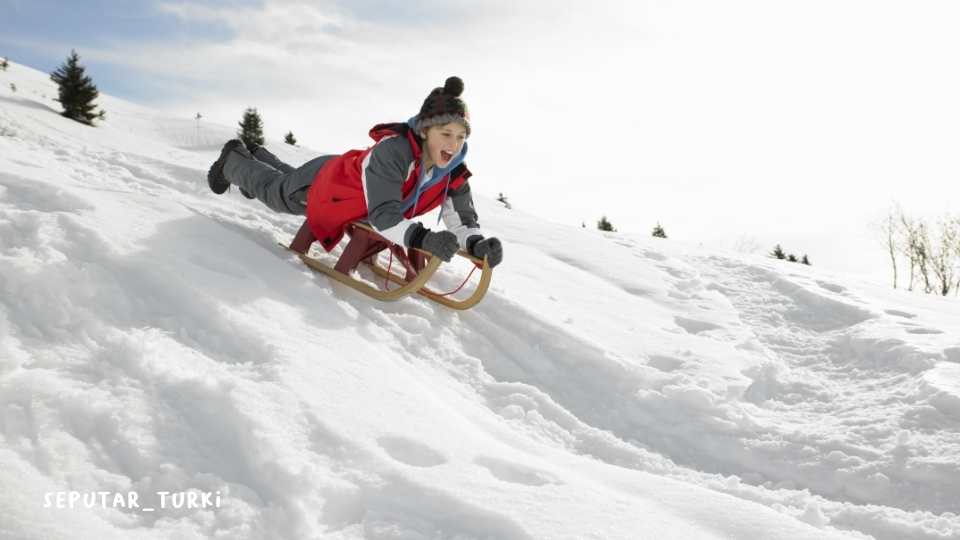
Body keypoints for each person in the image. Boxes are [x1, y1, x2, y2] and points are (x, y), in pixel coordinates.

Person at [207, 76, 503, 268]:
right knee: (278, 194)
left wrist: (477, 244)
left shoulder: (453, 171)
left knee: (284, 181)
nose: (453, 144)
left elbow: (462, 218)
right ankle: (232, 160)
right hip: (329, 185)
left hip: (351, 190)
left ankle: (258, 156)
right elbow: (384, 216)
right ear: (425, 130)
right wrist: (423, 240)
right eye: (446, 133)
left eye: (461, 137)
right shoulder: (394, 152)